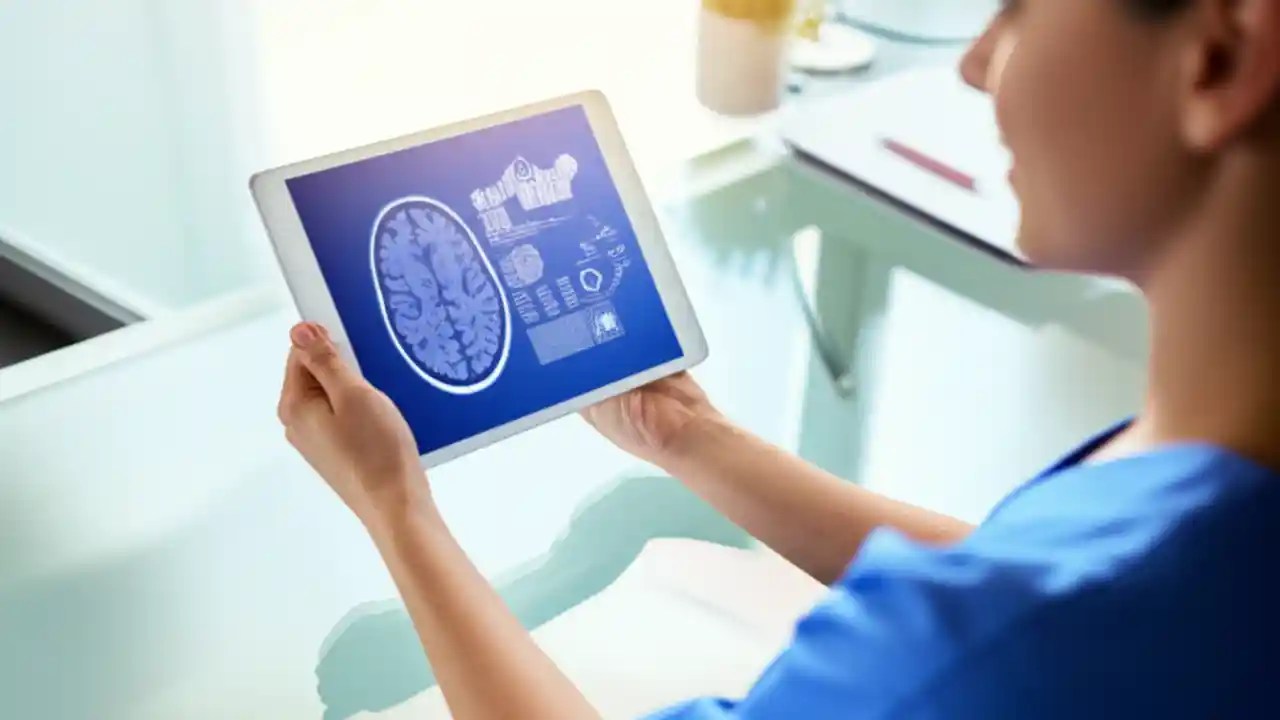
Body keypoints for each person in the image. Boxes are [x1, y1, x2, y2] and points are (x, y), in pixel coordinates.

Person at [276, 0, 1280, 716]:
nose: (976, 63)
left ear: (1221, 57)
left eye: (1016, 7)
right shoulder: (1202, 515)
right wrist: (692, 440)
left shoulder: (981, 655)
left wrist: (395, 510)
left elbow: (1011, 621)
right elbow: (1035, 576)